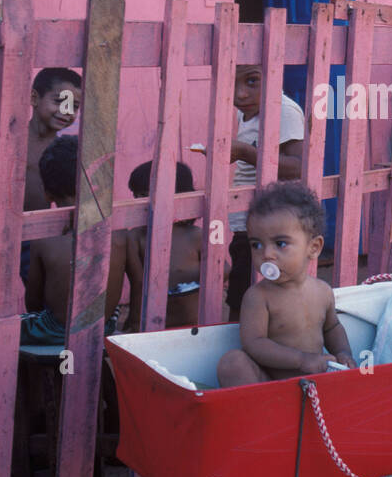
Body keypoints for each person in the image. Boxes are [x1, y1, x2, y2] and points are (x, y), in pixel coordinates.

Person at [216, 182, 352, 387]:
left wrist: (343, 353)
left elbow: (332, 327)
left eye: (280, 244)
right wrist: (301, 359)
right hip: (271, 385)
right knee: (233, 363)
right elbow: (254, 343)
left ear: (313, 248)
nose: (267, 254)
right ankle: (260, 414)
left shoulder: (322, 291)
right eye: (257, 245)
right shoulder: (258, 297)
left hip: (314, 383)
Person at [0, 67, 82, 282]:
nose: (67, 111)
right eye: (59, 102)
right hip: (1, 230)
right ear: (34, 98)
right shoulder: (9, 138)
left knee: (39, 289)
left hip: (40, 233)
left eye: (74, 106)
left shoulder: (61, 149)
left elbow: (66, 195)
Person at [21, 136, 126, 345]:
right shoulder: (121, 235)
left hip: (56, 331)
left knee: (8, 326)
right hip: (104, 326)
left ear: (48, 194)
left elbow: (33, 303)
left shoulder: (44, 240)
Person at [226, 64, 305, 320]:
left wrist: (245, 153)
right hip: (248, 225)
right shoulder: (248, 113)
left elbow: (297, 167)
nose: (241, 95)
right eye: (233, 82)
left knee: (248, 302)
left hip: (270, 229)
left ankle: (247, 349)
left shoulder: (283, 111)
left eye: (251, 82)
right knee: (245, 294)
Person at [125, 160, 207, 330]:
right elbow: (138, 283)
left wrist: (186, 282)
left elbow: (222, 271)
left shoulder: (196, 235)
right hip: (152, 326)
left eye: (144, 195)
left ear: (177, 196)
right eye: (136, 196)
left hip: (192, 325)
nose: (137, 203)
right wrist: (134, 321)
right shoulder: (135, 237)